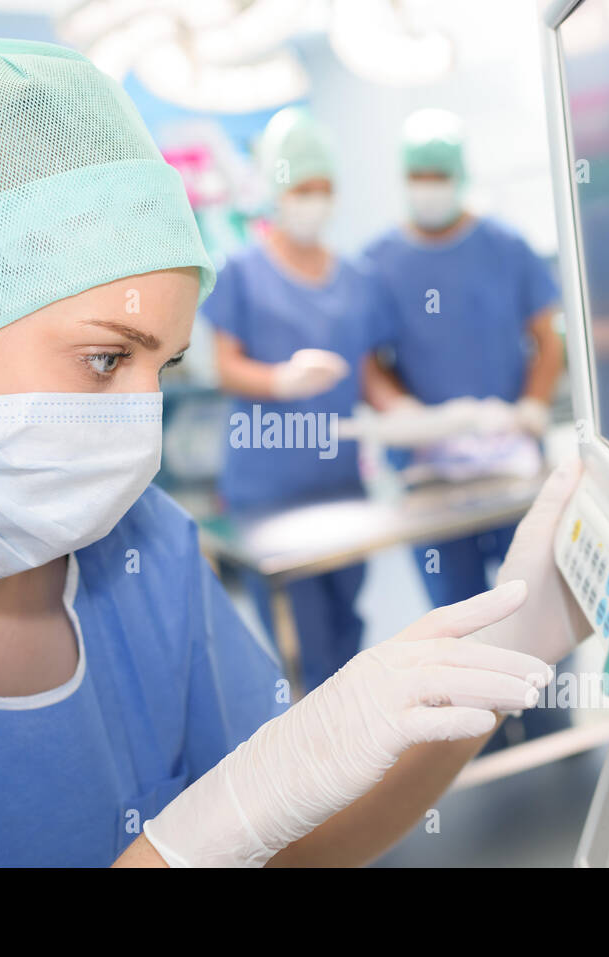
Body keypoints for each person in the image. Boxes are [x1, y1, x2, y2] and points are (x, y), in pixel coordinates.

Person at [0, 32, 582, 867]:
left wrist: (521, 638)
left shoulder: (145, 553)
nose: (141, 422)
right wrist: (184, 844)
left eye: (162, 367)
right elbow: (218, 839)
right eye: (103, 358)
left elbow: (286, 849)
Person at [202, 107, 390, 692]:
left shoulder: (356, 277)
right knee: (303, 645)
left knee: (348, 626)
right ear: (278, 190)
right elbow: (224, 366)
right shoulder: (241, 271)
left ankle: (360, 760)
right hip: (269, 487)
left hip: (340, 481)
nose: (315, 200)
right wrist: (282, 381)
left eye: (324, 189)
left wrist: (414, 418)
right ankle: (321, 768)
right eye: (303, 188)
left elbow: (366, 375)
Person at [363, 108, 565, 612]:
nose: (428, 187)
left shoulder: (505, 247)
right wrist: (405, 412)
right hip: (428, 470)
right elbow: (368, 360)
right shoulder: (379, 261)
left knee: (534, 603)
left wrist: (534, 407)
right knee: (457, 616)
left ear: (459, 177)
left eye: (439, 177)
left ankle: (548, 696)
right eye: (418, 177)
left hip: (512, 458)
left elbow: (549, 336)